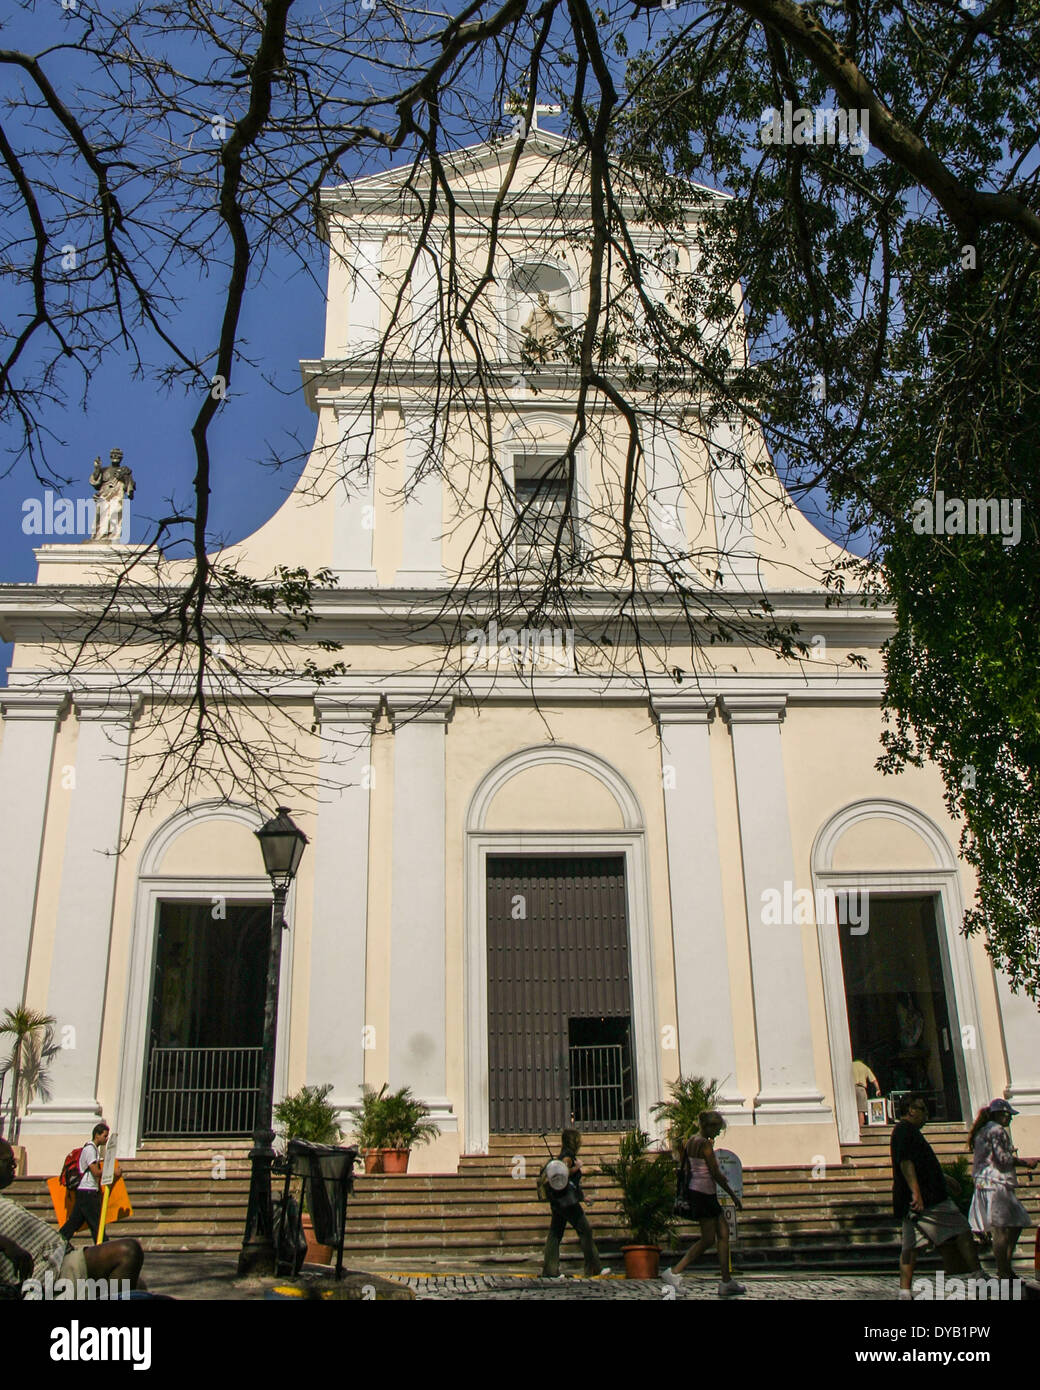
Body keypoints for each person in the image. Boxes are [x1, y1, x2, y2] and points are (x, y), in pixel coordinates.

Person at [0, 1138, 144, 1297]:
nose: (14, 1166)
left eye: (14, 1160)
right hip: (50, 1272)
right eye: (8, 1161)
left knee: (137, 1285)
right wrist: (7, 1245)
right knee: (128, 1251)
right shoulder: (89, 1150)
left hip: (58, 1258)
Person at [892, 1095, 982, 1299]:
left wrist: (946, 1178)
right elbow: (906, 1163)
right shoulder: (905, 1132)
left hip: (917, 1199)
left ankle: (904, 1291)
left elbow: (922, 1164)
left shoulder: (907, 1132)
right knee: (962, 1229)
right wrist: (917, 1193)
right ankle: (978, 1274)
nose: (926, 1115)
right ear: (911, 1110)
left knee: (910, 1246)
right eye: (922, 1109)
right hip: (930, 1200)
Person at [662, 1110, 745, 1298]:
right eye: (716, 1129)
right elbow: (715, 1173)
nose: (717, 1133)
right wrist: (733, 1196)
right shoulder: (705, 1144)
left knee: (723, 1233)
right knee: (708, 1239)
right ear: (708, 1126)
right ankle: (674, 1272)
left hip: (699, 1192)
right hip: (704, 1194)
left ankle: (726, 1280)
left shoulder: (691, 1140)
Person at [967, 1098, 1037, 1280]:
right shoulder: (996, 1130)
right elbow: (1003, 1159)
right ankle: (1003, 1270)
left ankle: (1005, 1266)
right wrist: (1025, 1162)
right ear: (1000, 1114)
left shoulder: (983, 1130)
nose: (1010, 1120)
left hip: (988, 1182)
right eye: (1008, 1115)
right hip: (995, 1184)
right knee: (1002, 1228)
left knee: (1016, 1222)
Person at [540, 1128, 604, 1279]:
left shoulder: (566, 1155)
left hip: (559, 1200)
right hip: (567, 1202)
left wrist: (582, 1197)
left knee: (555, 1233)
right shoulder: (568, 1157)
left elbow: (571, 1184)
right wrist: (578, 1167)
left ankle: (550, 1270)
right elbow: (561, 1174)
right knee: (585, 1231)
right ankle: (593, 1268)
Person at [60, 1120, 112, 1243]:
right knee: (97, 1225)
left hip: (85, 1192)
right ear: (97, 1135)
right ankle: (104, 1249)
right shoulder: (90, 1150)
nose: (106, 1139)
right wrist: (112, 1172)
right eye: (105, 1136)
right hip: (88, 1192)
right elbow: (95, 1172)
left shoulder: (92, 1149)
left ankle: (57, 1242)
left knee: (74, 1223)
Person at [853, 1058, 881, 1124]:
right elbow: (874, 1080)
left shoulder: (850, 1065)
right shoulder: (865, 1067)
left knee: (852, 1109)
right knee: (861, 1110)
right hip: (861, 1089)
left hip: (851, 1089)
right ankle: (861, 1130)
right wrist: (878, 1090)